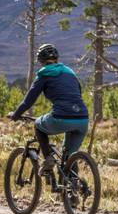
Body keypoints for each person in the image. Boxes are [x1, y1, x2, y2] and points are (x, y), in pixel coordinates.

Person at [9, 44, 90, 174]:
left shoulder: (44, 74)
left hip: (61, 117)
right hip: (83, 119)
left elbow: (28, 101)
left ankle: (48, 159)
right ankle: (73, 188)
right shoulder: (70, 72)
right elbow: (78, 94)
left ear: (40, 61)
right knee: (69, 156)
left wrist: (16, 114)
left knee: (38, 125)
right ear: (57, 59)